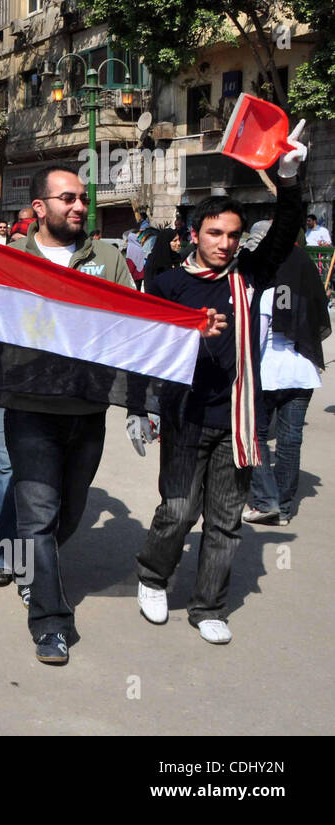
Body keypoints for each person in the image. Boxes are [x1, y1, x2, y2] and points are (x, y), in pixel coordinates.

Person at [0, 167, 143, 665]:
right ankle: (50, 620)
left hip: (88, 411)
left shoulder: (108, 258)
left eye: (82, 199)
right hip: (27, 413)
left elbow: (137, 327)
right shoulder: (7, 263)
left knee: (68, 512)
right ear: (39, 208)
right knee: (39, 517)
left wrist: (190, 333)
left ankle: (33, 566)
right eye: (66, 198)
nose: (78, 206)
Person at [137, 130, 306, 646]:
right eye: (215, 233)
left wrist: (289, 180)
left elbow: (284, 230)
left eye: (233, 234)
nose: (225, 243)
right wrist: (188, 338)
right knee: (178, 510)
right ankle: (152, 576)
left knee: (226, 520)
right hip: (185, 415)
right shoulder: (168, 285)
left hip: (237, 418)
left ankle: (209, 605)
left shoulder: (249, 274)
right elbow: (147, 348)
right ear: (194, 234)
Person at [240, 222, 328, 526]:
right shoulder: (304, 283)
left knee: (256, 435)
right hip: (303, 372)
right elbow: (320, 324)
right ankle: (285, 508)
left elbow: (258, 337)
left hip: (268, 373)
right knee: (291, 440)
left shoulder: (268, 290)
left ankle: (266, 501)